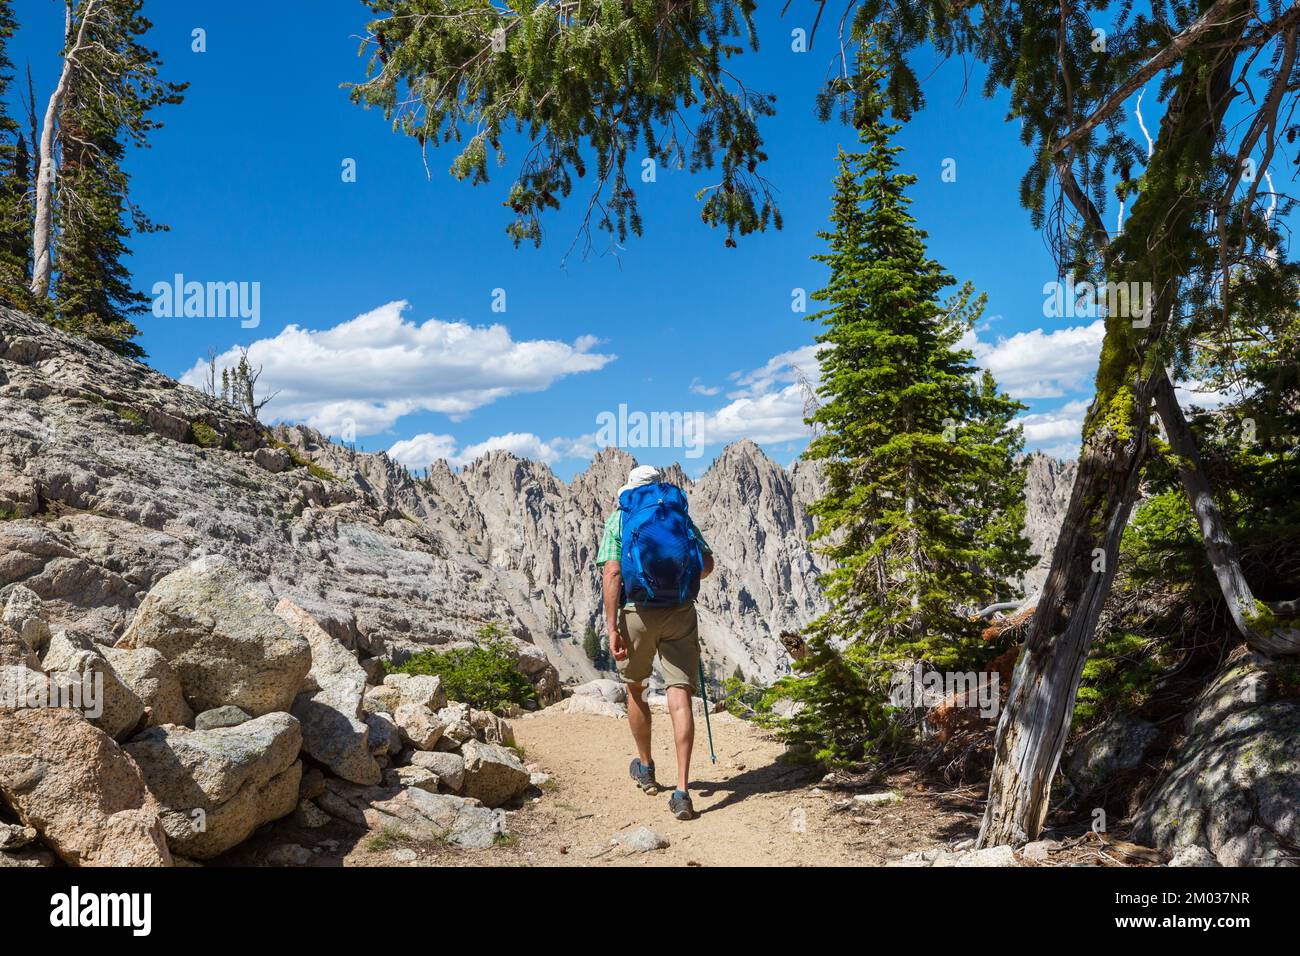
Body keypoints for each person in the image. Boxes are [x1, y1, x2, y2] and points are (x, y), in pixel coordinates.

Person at [596, 465, 714, 820]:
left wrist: (612, 625)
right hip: (679, 610)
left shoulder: (620, 519)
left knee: (636, 689)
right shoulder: (677, 515)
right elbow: (706, 564)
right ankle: (682, 791)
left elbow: (613, 572)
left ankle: (646, 768)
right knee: (680, 695)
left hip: (637, 612)